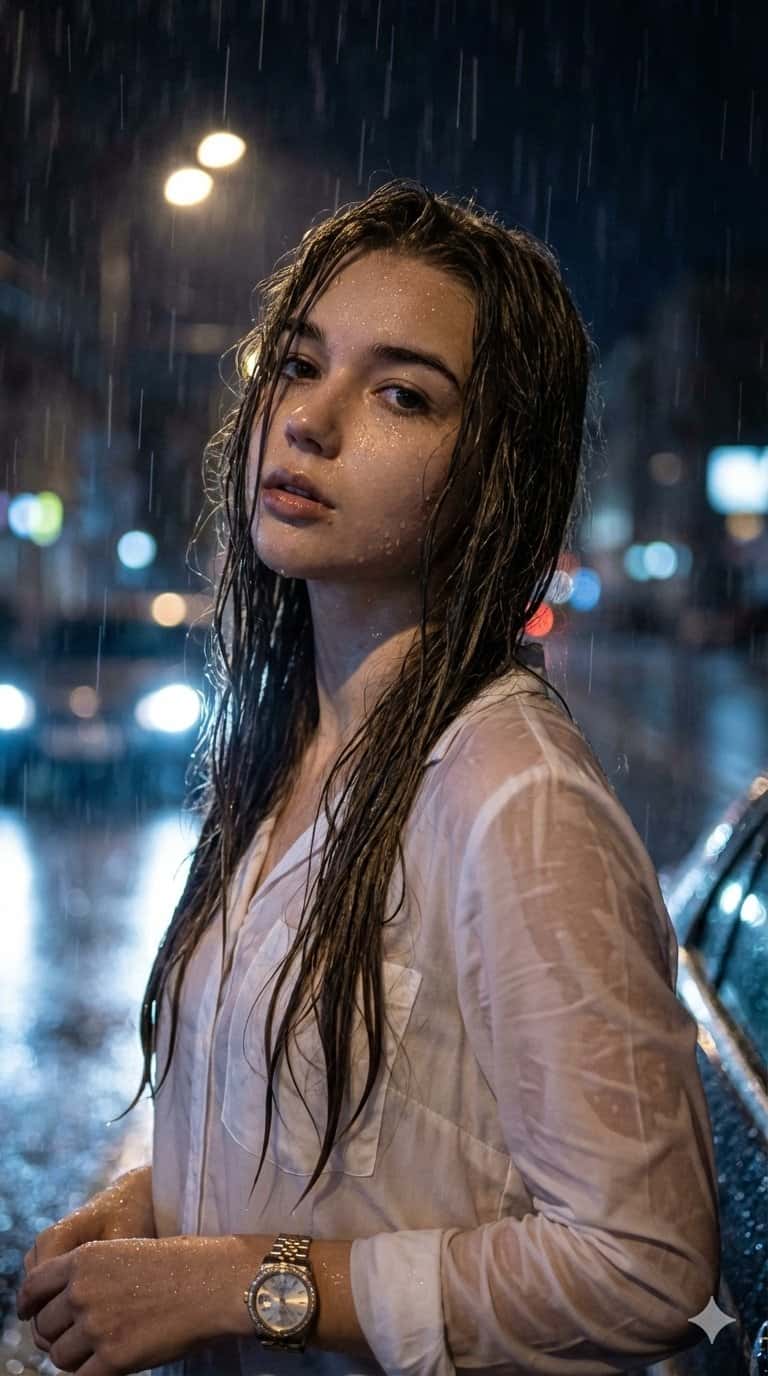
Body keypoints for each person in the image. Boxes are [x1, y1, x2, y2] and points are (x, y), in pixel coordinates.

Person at [16, 179, 720, 1376]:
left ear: (493, 470)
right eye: (298, 365)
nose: (310, 421)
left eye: (401, 392)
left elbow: (640, 1261)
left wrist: (246, 1281)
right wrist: (162, 1210)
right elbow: (363, 1135)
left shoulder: (514, 797)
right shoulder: (294, 742)